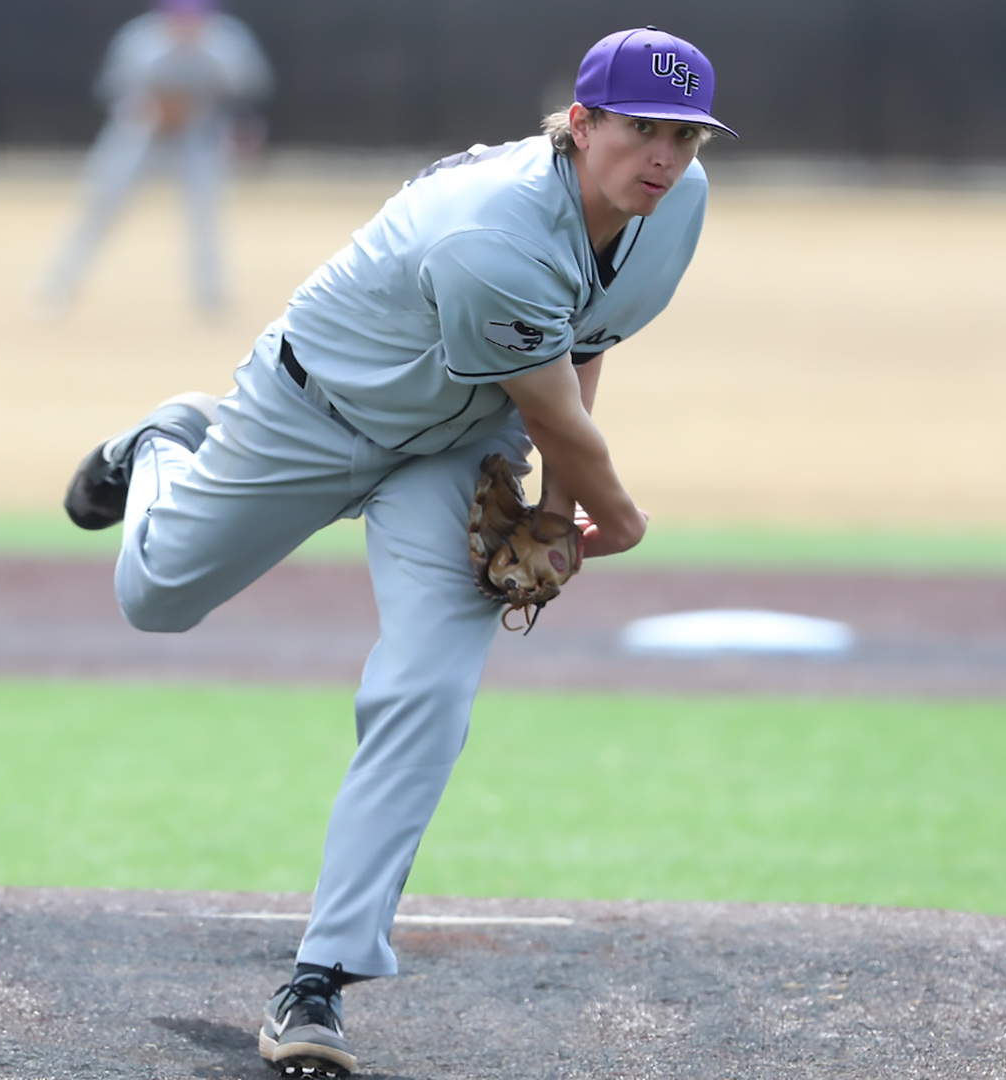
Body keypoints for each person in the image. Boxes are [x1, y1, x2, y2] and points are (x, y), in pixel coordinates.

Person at [63, 26, 734, 1077]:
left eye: (686, 137)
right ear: (584, 121)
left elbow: (583, 344)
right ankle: (161, 443)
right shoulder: (492, 229)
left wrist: (557, 515)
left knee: (427, 691)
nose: (663, 157)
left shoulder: (675, 211)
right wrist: (615, 514)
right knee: (153, 595)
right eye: (641, 129)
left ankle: (318, 982)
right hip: (312, 414)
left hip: (456, 448)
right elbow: (558, 410)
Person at [37, 0, 272, 317]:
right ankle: (59, 283)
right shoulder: (141, 39)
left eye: (194, 18)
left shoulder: (226, 41)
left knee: (204, 217)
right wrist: (152, 106)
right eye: (179, 18)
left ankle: (210, 296)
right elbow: (112, 88)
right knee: (100, 207)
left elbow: (249, 89)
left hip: (197, 136)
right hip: (141, 132)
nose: (186, 25)